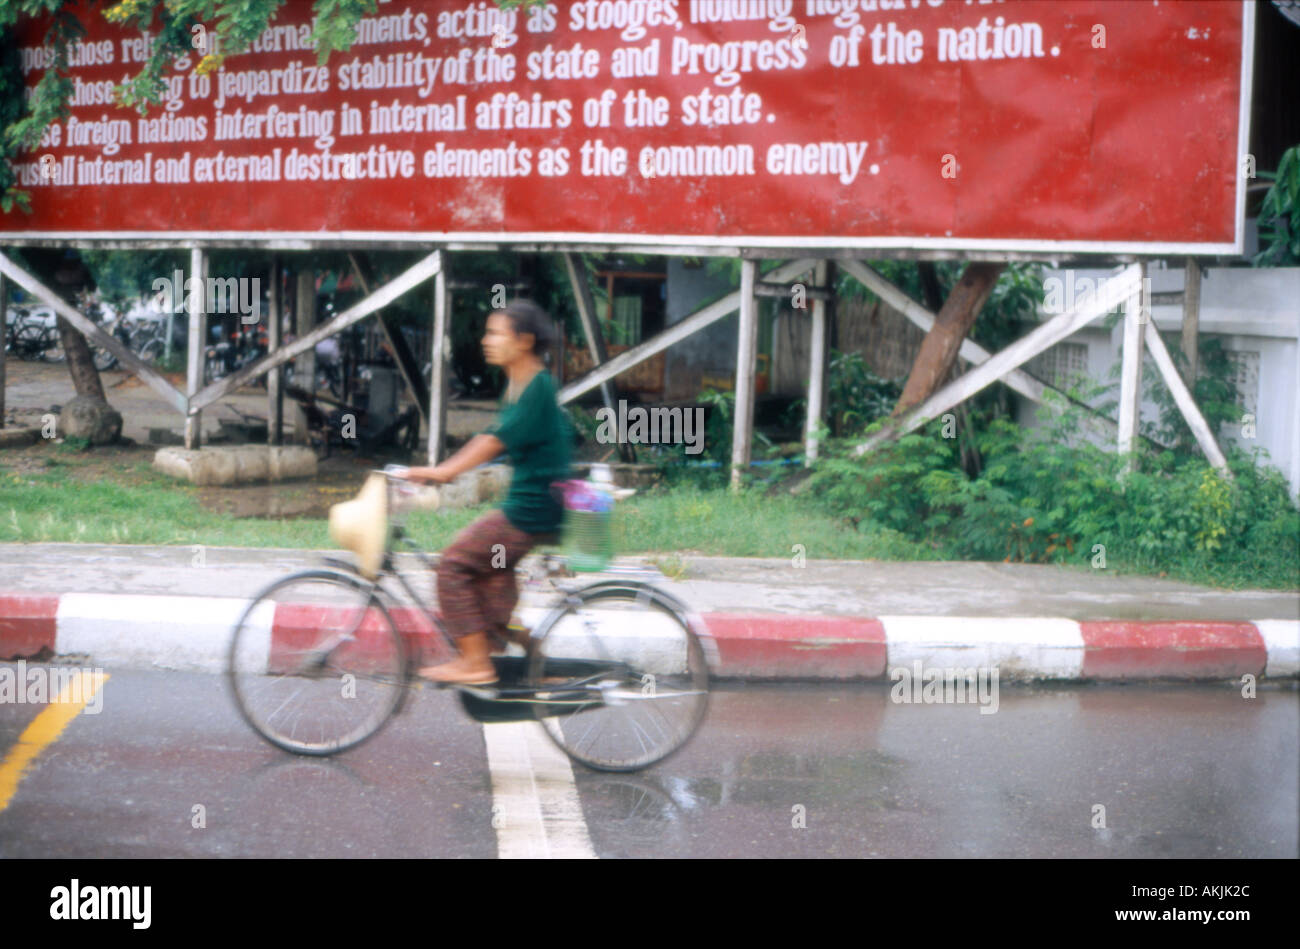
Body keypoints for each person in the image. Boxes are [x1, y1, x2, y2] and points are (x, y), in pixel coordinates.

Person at [402, 299, 572, 685]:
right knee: (492, 580)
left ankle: (475, 663)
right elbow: (495, 438)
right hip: (535, 505)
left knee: (454, 565)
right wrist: (443, 471)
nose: (486, 340)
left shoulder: (535, 387)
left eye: (496, 332)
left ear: (524, 341)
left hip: (531, 511)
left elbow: (494, 441)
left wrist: (442, 472)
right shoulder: (521, 383)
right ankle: (532, 658)